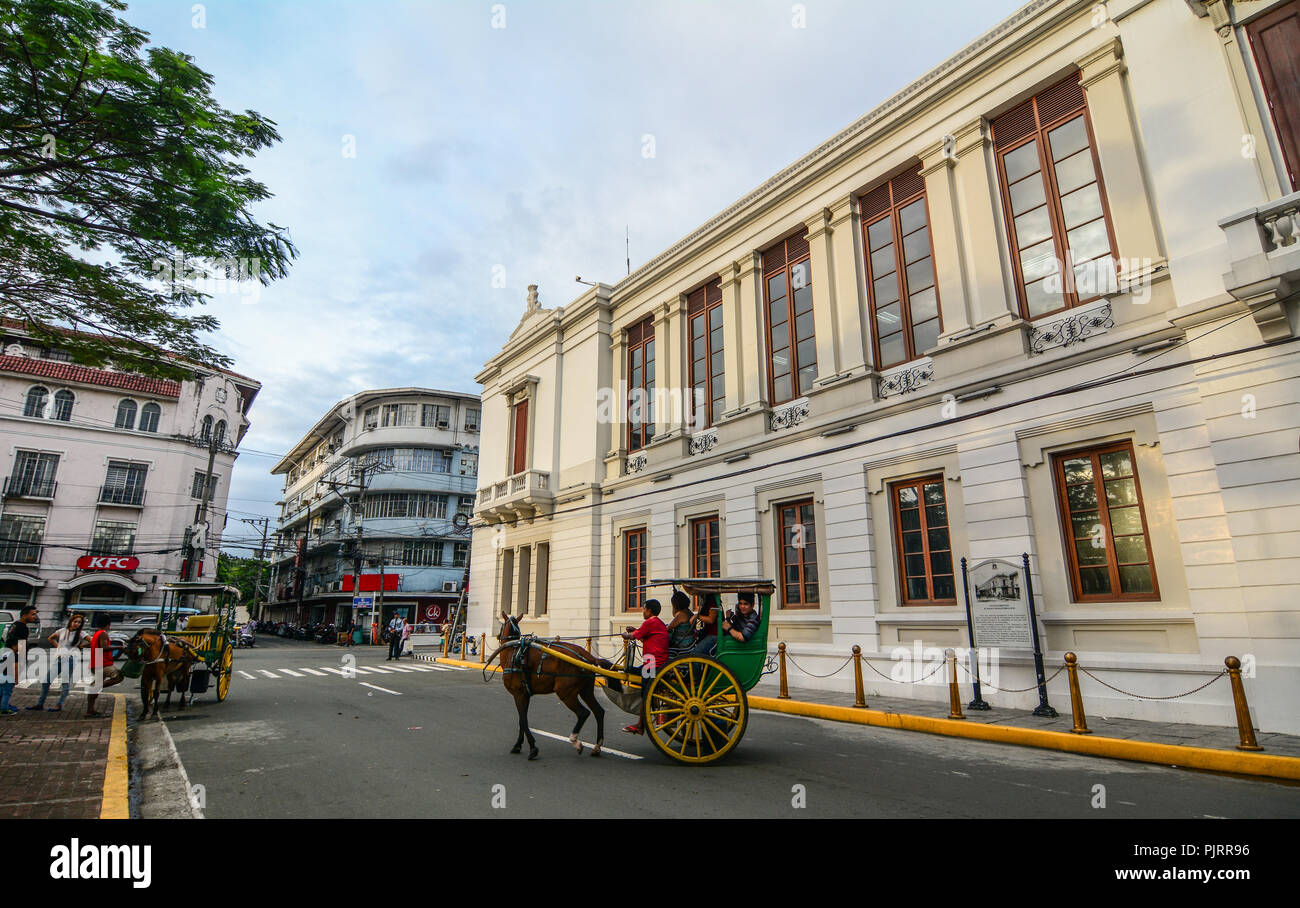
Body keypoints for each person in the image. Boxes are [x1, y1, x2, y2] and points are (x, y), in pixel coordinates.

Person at [620, 599, 669, 735]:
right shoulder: (657, 623)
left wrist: (627, 635)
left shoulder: (650, 622)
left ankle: (641, 725)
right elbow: (643, 636)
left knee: (645, 693)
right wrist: (635, 632)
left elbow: (635, 636)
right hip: (652, 661)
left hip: (653, 663)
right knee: (638, 678)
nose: (643, 611)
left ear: (650, 611)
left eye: (644, 609)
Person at [31, 613, 85, 712]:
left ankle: (59, 704)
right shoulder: (62, 631)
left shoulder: (81, 633)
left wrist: (79, 646)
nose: (76, 624)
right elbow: (50, 638)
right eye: (75, 621)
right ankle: (40, 704)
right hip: (59, 658)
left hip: (70, 659)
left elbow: (91, 640)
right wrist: (59, 648)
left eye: (79, 622)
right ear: (71, 621)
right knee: (46, 681)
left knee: (65, 682)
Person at [0, 605, 38, 716]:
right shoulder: (23, 628)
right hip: (13, 658)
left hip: (5, 656)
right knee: (9, 686)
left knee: (3, 685)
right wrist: (20, 663)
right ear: (25, 615)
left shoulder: (15, 624)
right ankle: (4, 708)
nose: (34, 617)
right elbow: (18, 647)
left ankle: (4, 705)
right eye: (32, 614)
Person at [84, 613, 123, 718]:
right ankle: (95, 688)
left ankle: (90, 710)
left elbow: (94, 644)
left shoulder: (97, 633)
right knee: (118, 677)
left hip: (96, 663)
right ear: (108, 624)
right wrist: (120, 647)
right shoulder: (103, 634)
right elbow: (104, 647)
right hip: (102, 664)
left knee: (96, 687)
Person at [666, 590, 695, 662]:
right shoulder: (688, 612)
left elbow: (668, 628)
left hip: (681, 644)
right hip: (688, 641)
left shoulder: (681, 615)